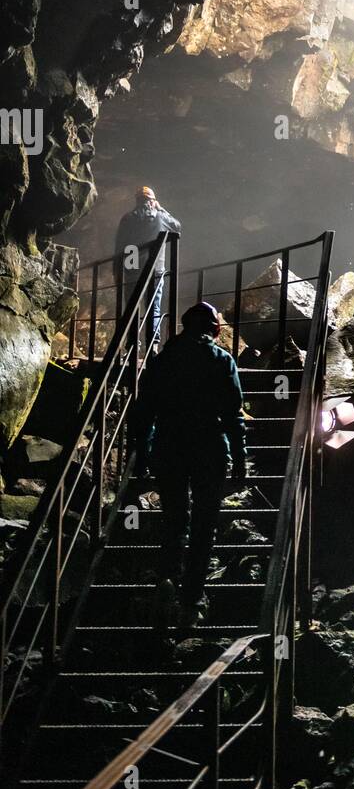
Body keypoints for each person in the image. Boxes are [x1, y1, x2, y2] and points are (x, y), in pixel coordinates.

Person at [133, 300, 247, 631]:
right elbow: (232, 414)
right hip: (208, 451)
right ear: (214, 330)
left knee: (173, 521)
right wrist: (239, 459)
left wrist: (143, 456)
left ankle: (167, 581)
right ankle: (190, 601)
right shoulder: (221, 360)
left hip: (170, 449)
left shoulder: (164, 360)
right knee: (203, 525)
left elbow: (144, 412)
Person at [114, 187, 181, 348]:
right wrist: (161, 208)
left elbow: (120, 246)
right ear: (152, 201)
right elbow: (177, 226)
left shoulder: (127, 218)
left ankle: (132, 344)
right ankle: (153, 345)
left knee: (132, 305)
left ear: (137, 201)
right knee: (153, 306)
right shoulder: (160, 217)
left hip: (132, 264)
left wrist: (116, 271)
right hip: (155, 267)